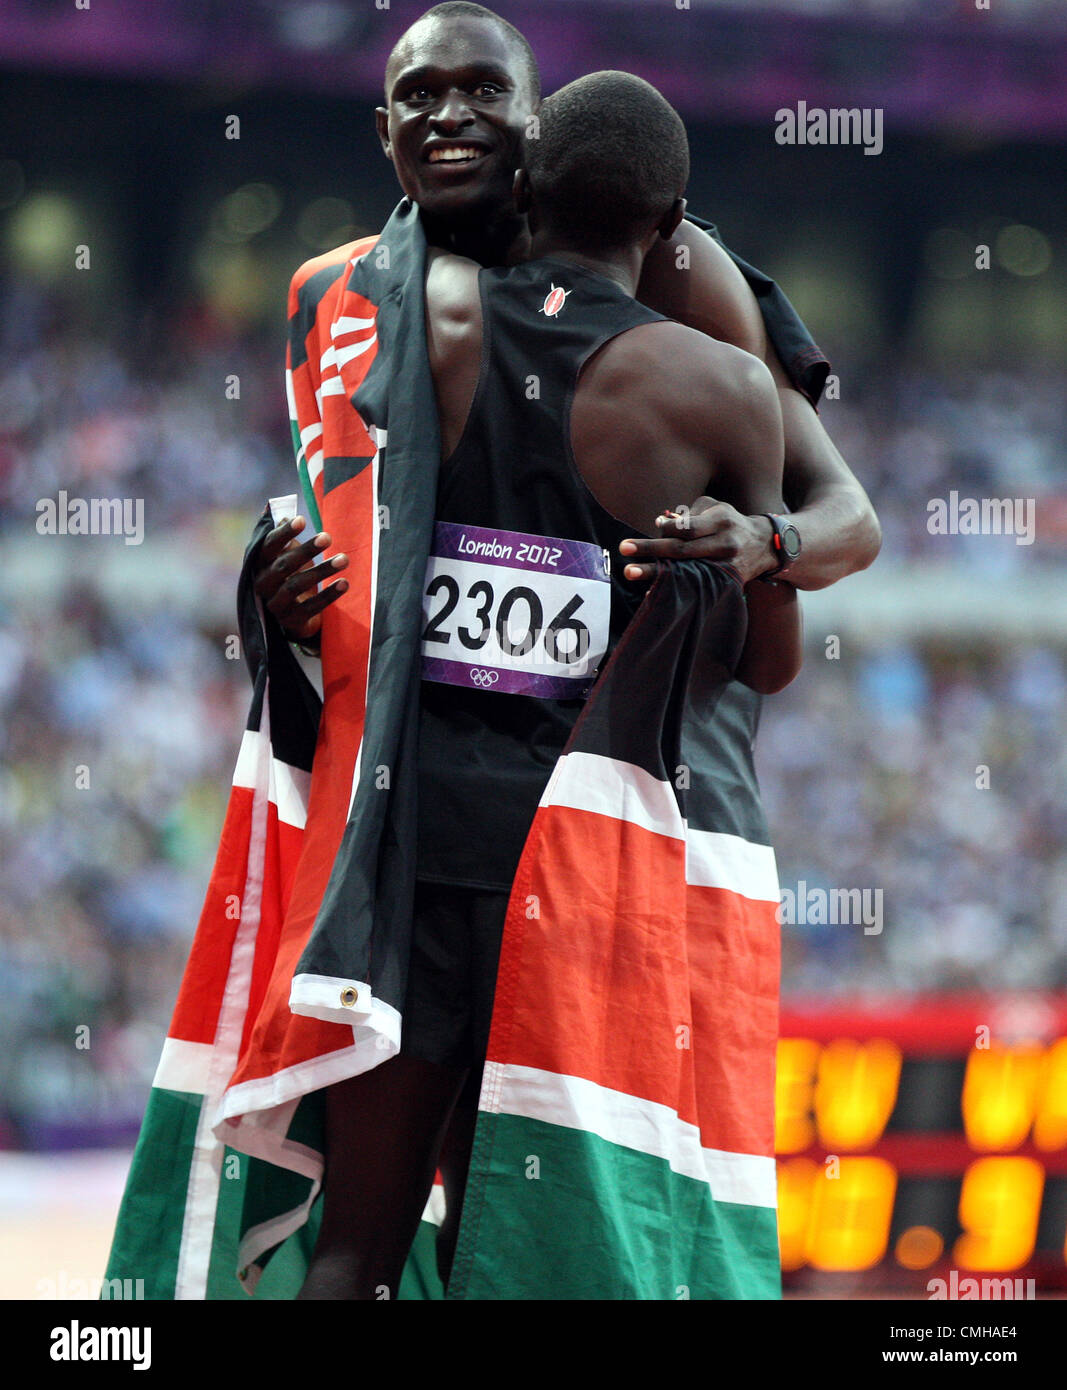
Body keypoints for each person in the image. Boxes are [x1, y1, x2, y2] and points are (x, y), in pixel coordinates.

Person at [294, 67, 802, 1300]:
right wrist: (745, 552)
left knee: (353, 1245)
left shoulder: (430, 322)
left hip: (415, 839)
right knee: (505, 1243)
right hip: (577, 868)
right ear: (672, 218)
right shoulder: (714, 387)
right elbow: (771, 660)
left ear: (526, 180)